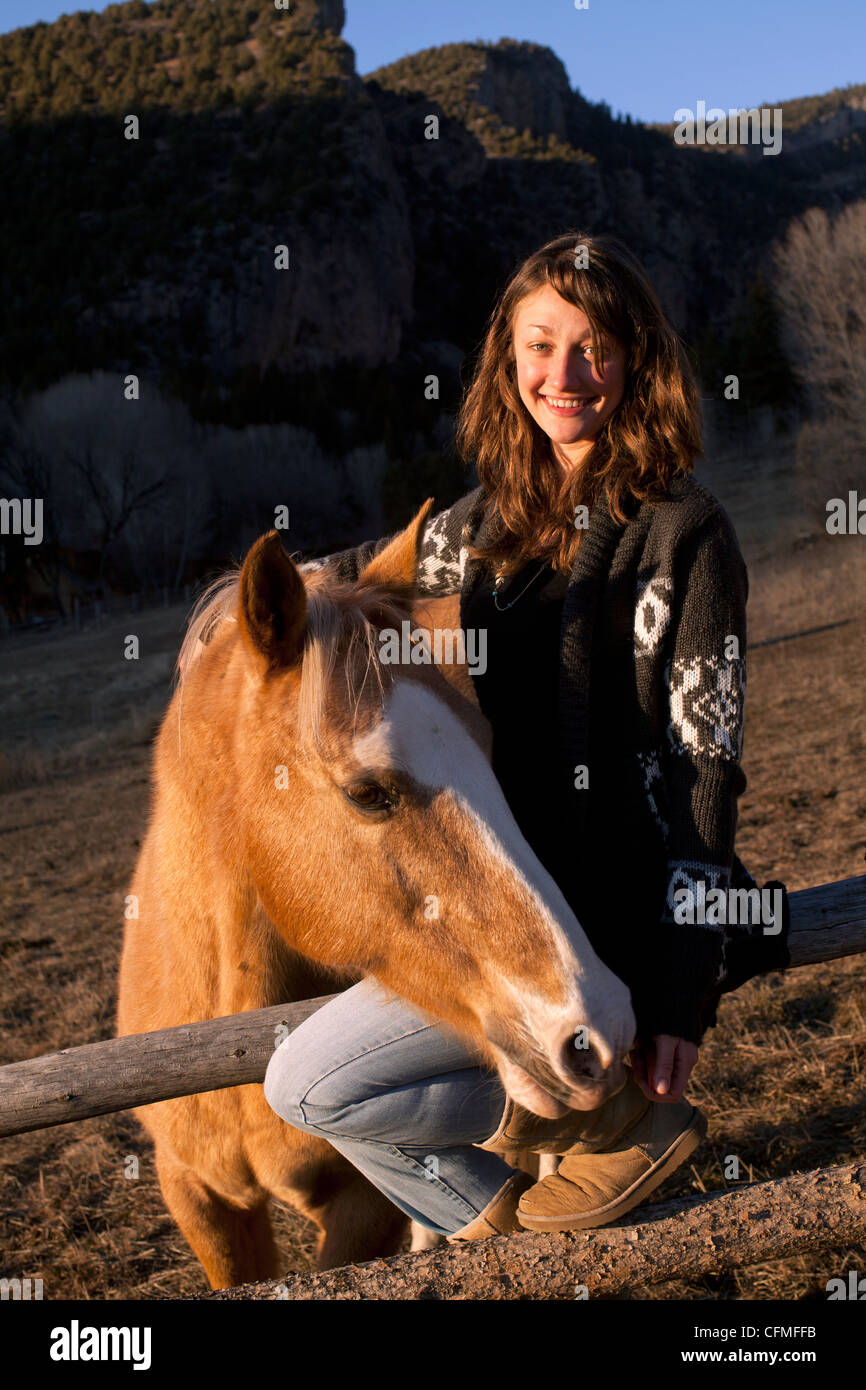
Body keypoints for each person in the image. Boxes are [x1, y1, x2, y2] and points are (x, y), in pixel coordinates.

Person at [263, 229, 789, 1243]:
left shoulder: (686, 536)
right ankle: (531, 1235)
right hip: (500, 913)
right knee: (311, 1086)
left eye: (593, 346)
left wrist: (680, 994)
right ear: (506, 359)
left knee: (321, 1085)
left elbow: (704, 775)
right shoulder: (474, 528)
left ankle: (613, 1120)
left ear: (635, 360)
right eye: (539, 344)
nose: (564, 374)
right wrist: (230, 628)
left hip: (618, 929)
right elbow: (348, 584)